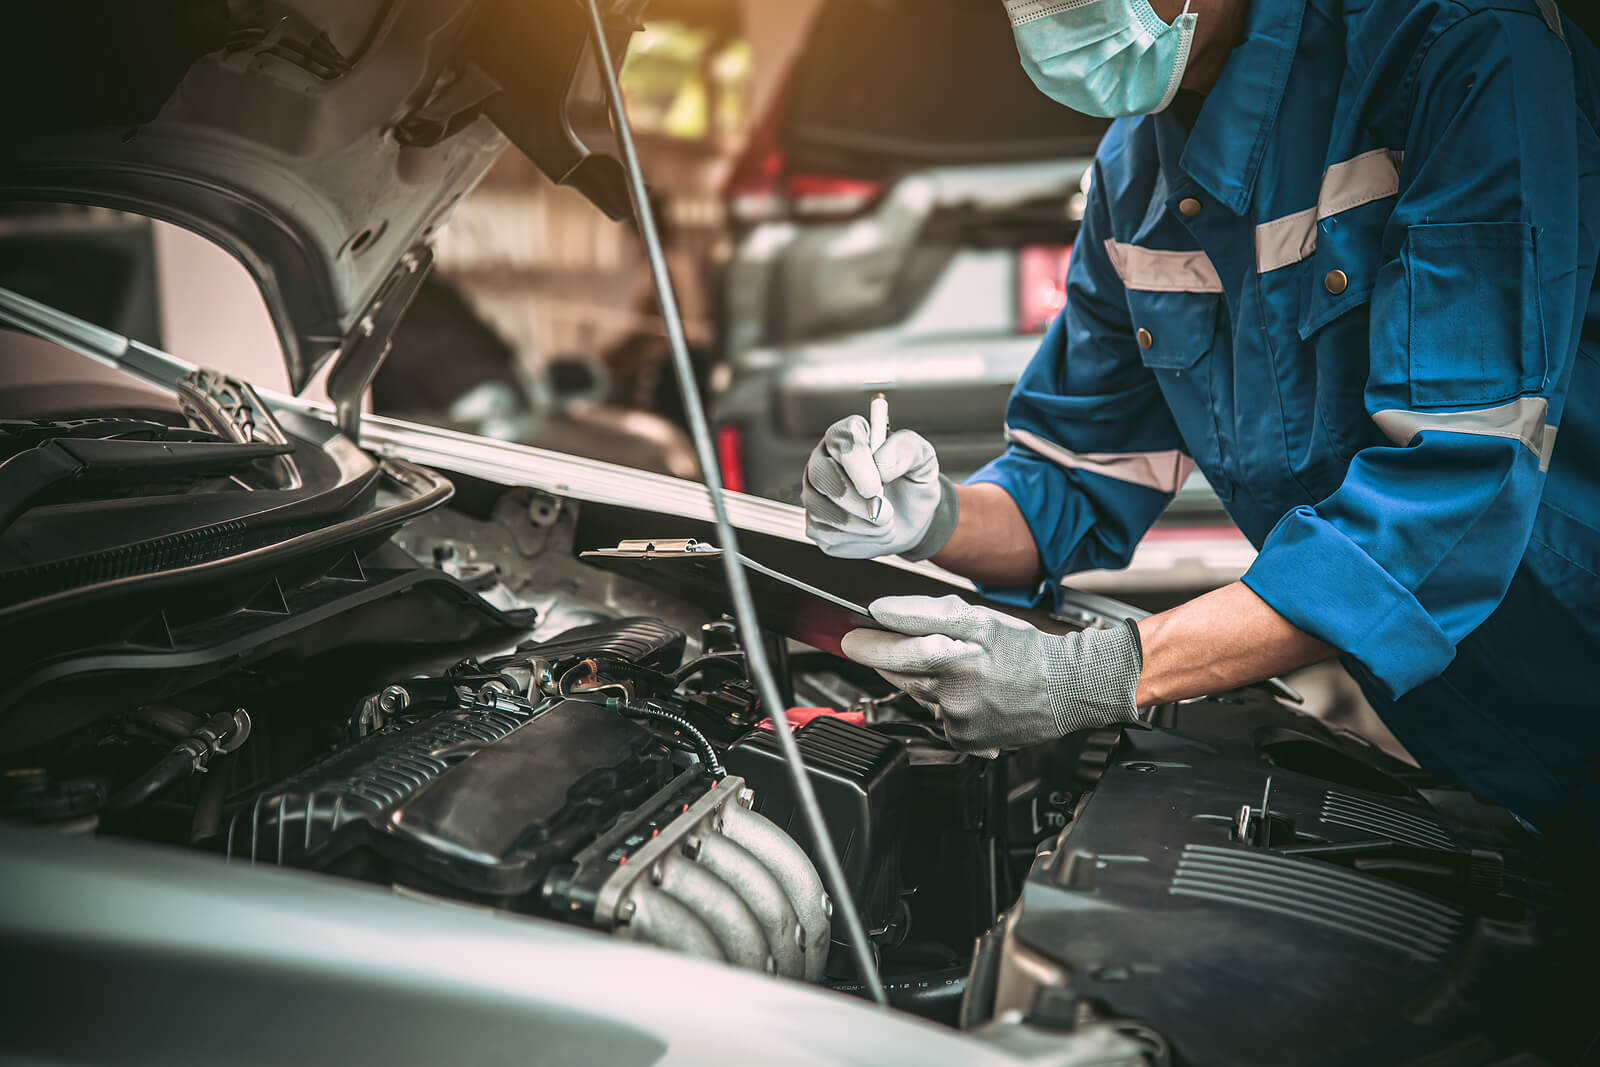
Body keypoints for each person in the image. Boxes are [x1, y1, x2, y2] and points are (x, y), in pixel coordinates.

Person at [802, 0, 1600, 856]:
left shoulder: (1460, 42)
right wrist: (929, 518)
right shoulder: (1137, 176)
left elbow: (1453, 496)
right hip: (1496, 755)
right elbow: (1070, 484)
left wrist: (1097, 674)